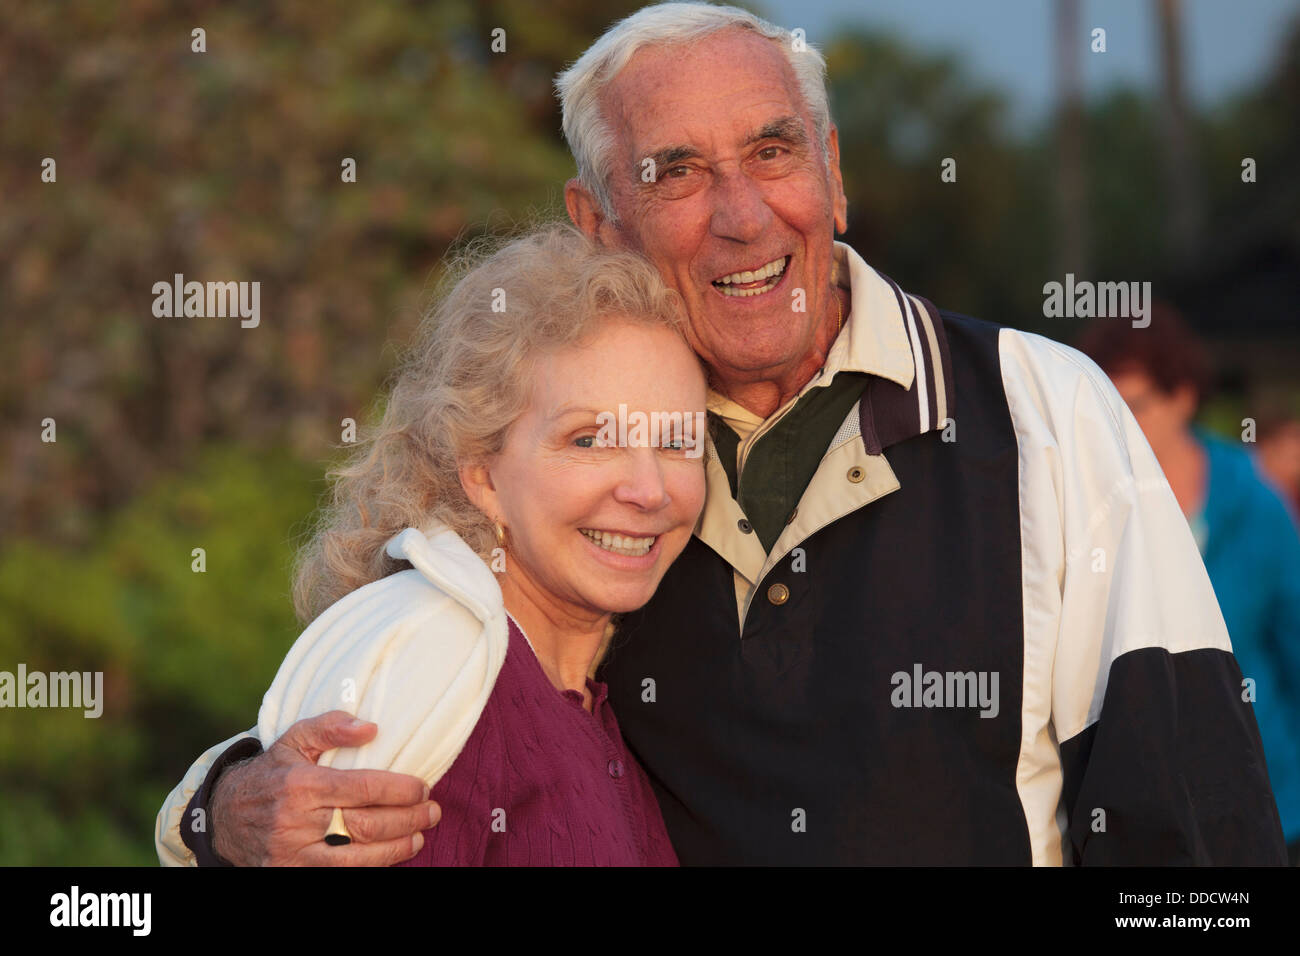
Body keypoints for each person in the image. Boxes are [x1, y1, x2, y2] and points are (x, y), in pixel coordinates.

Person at [157, 2, 1286, 866]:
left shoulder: (1046, 410)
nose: (742, 213)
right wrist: (220, 805)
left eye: (773, 150)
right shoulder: (571, 480)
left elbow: (1196, 830)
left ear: (833, 176)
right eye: (677, 171)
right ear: (597, 224)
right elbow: (373, 698)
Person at [160, 223, 707, 865]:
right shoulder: (440, 672)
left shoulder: (597, 698)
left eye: (676, 441)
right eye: (587, 440)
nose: (648, 489)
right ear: (482, 474)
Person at [1077, 306, 1300, 864]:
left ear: (1183, 397)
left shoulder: (1255, 503)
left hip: (1265, 806)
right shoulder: (1081, 508)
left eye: (1135, 405)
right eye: (1105, 406)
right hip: (1137, 816)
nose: (1117, 423)